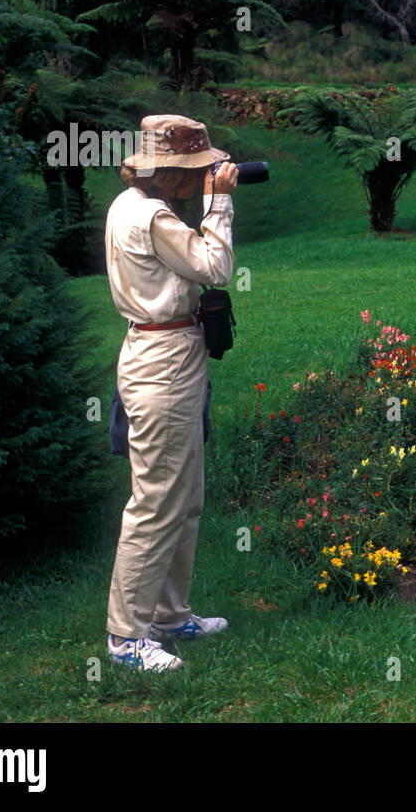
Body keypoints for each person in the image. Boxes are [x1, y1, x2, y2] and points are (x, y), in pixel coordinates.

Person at [103, 114, 239, 672]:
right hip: (162, 363)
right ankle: (125, 638)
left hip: (167, 353)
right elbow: (217, 267)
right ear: (169, 173)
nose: (200, 178)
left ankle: (168, 613)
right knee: (158, 499)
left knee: (186, 493)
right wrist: (219, 205)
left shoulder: (128, 206)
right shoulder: (154, 217)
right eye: (194, 170)